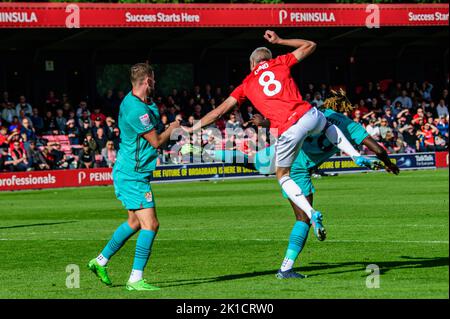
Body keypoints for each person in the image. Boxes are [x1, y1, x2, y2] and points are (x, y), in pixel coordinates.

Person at [183, 30, 378, 244]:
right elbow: (310, 44)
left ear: (252, 64)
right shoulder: (279, 62)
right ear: (268, 59)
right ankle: (355, 155)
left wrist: (193, 128)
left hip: (289, 135)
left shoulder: (246, 84)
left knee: (274, 171)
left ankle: (311, 213)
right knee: (328, 125)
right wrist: (280, 40)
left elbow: (218, 112)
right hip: (309, 115)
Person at [215, 90, 399, 279]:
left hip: (284, 151)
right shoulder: (351, 126)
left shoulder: (315, 114)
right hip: (298, 169)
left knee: (250, 162)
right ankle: (285, 269)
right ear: (346, 108)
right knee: (303, 219)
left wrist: (265, 123)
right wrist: (389, 164)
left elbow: (290, 122)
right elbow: (377, 149)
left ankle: (204, 152)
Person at [88, 63, 180, 291]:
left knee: (134, 222)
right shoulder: (135, 109)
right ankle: (135, 279)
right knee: (151, 224)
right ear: (147, 81)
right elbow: (157, 141)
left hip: (133, 171)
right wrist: (175, 127)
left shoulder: (143, 103)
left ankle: (99, 261)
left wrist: (171, 129)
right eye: (154, 79)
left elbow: (158, 130)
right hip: (133, 174)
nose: (156, 83)